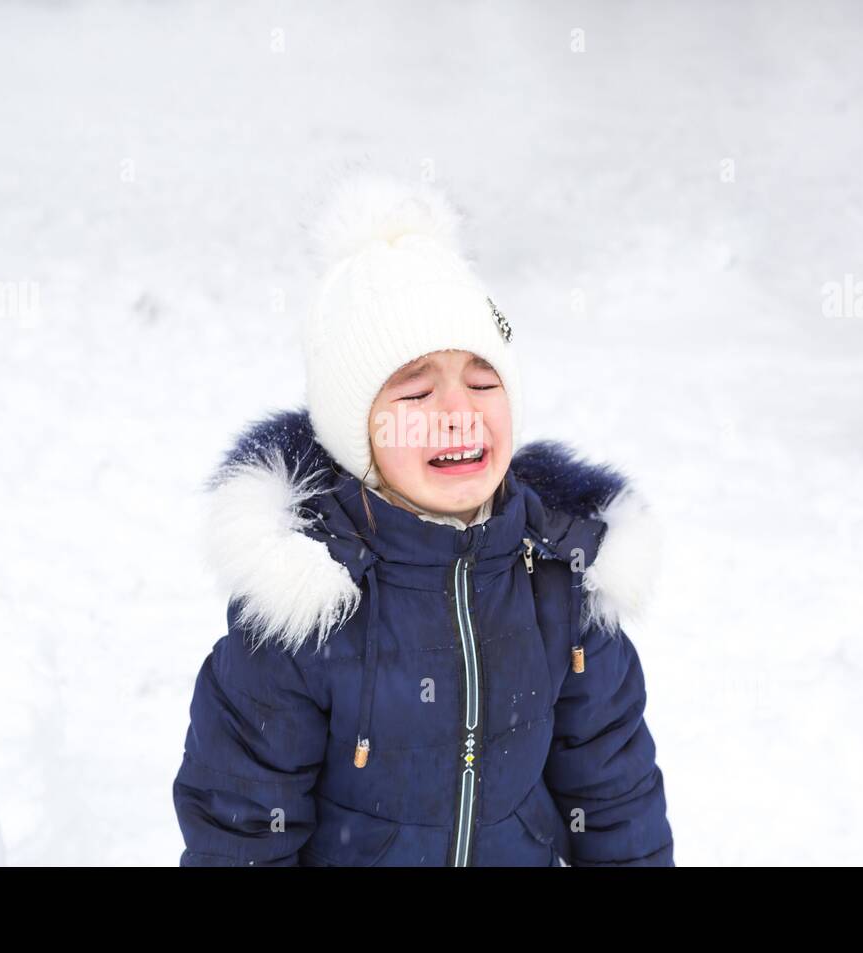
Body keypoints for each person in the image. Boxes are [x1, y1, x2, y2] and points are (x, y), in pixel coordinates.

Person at [171, 170, 674, 866]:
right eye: (415, 391)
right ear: (357, 432)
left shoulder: (565, 580)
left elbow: (616, 800)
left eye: (482, 380)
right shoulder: (304, 613)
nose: (458, 413)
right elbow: (243, 832)